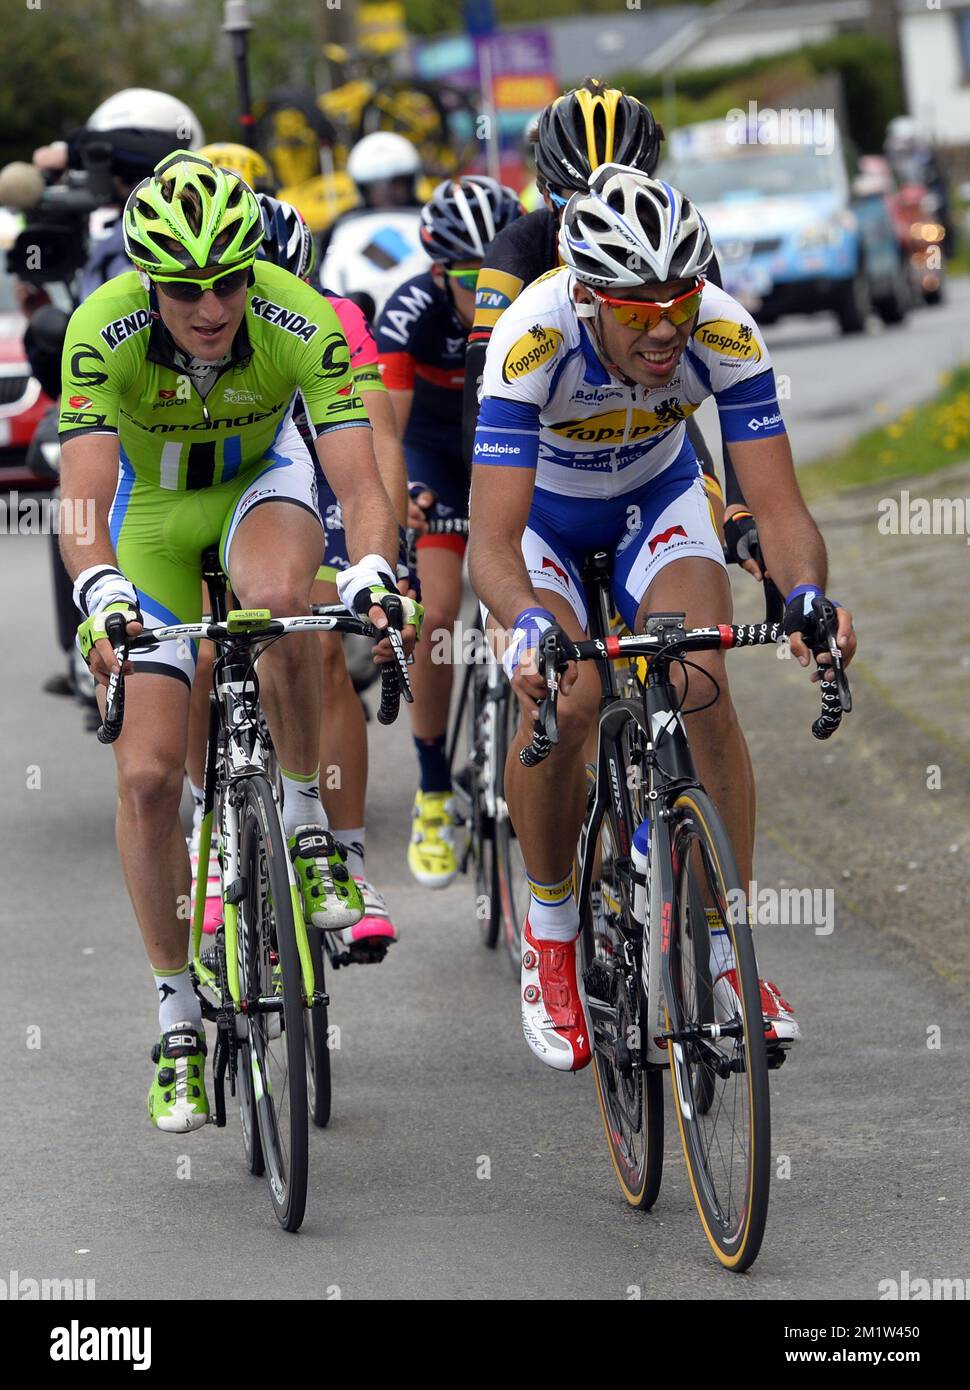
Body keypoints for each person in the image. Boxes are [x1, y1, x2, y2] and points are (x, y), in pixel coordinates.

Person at [58, 153, 419, 1132]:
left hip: (263, 489)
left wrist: (375, 569)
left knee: (278, 604)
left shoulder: (296, 314)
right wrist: (99, 592)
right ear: (149, 283)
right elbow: (85, 496)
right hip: (153, 519)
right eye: (186, 287)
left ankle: (307, 829)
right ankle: (177, 1017)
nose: (212, 305)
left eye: (229, 280)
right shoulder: (105, 328)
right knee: (145, 778)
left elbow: (357, 482)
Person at [467, 166, 856, 1072]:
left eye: (677, 301)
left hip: (658, 500)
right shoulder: (530, 338)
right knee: (568, 703)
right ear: (588, 295)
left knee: (701, 683)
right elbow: (491, 542)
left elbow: (781, 508)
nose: (665, 327)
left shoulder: (722, 327)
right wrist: (525, 624)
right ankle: (553, 934)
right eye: (637, 310)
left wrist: (804, 596)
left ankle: (727, 956)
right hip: (543, 526)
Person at [462, 79, 763, 581]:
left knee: (703, 545)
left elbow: (730, 379)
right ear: (542, 191)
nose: (596, 211)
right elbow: (480, 394)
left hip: (653, 425)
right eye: (574, 197)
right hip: (547, 450)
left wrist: (739, 506)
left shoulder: (680, 244)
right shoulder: (516, 250)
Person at [373, 176, 523, 887]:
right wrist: (402, 496)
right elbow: (385, 430)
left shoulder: (540, 291)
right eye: (469, 279)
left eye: (496, 275)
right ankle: (434, 791)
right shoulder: (410, 312)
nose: (489, 291)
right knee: (436, 616)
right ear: (440, 274)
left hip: (512, 449)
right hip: (436, 454)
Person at [317, 131, 428, 320]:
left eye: (397, 184)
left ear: (411, 181)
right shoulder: (341, 225)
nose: (387, 194)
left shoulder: (431, 217)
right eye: (375, 187)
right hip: (357, 320)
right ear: (362, 188)